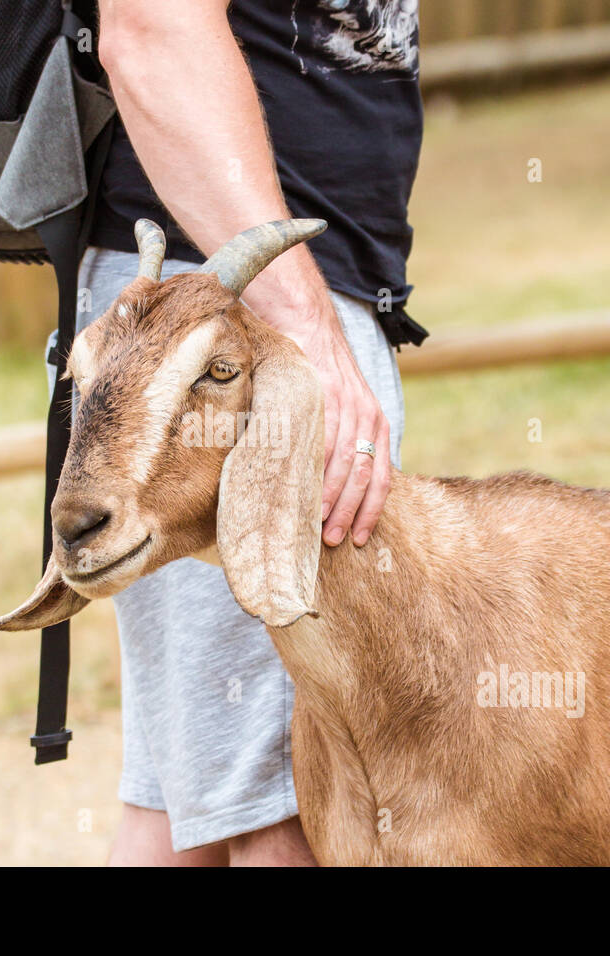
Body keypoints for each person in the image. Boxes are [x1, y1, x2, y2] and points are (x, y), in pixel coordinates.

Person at [73, 0, 425, 865]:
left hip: (227, 294)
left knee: (182, 812)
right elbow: (153, 28)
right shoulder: (268, 332)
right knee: (287, 807)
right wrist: (302, 332)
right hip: (233, 311)